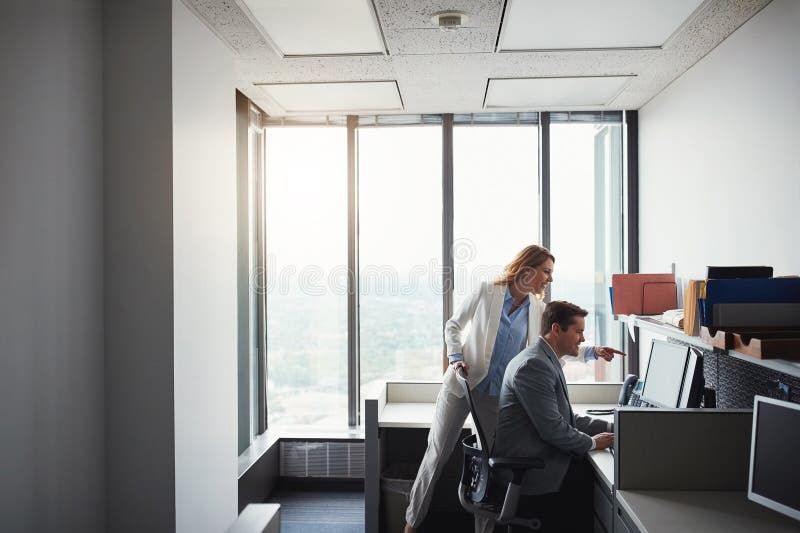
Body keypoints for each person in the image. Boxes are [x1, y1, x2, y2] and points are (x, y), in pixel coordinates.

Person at [404, 245, 624, 533]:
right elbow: (453, 325)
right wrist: (456, 356)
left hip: (494, 398)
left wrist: (593, 351)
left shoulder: (537, 309)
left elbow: (555, 344)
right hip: (461, 386)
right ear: (528, 269)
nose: (549, 279)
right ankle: (410, 524)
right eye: (546, 271)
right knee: (437, 455)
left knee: (488, 468)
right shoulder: (487, 291)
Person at [494, 300, 615, 532]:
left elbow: (566, 419)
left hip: (539, 456)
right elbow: (554, 430)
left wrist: (614, 425)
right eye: (578, 331)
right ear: (557, 329)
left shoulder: (544, 359)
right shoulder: (534, 365)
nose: (582, 339)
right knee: (596, 483)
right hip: (532, 468)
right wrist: (592, 442)